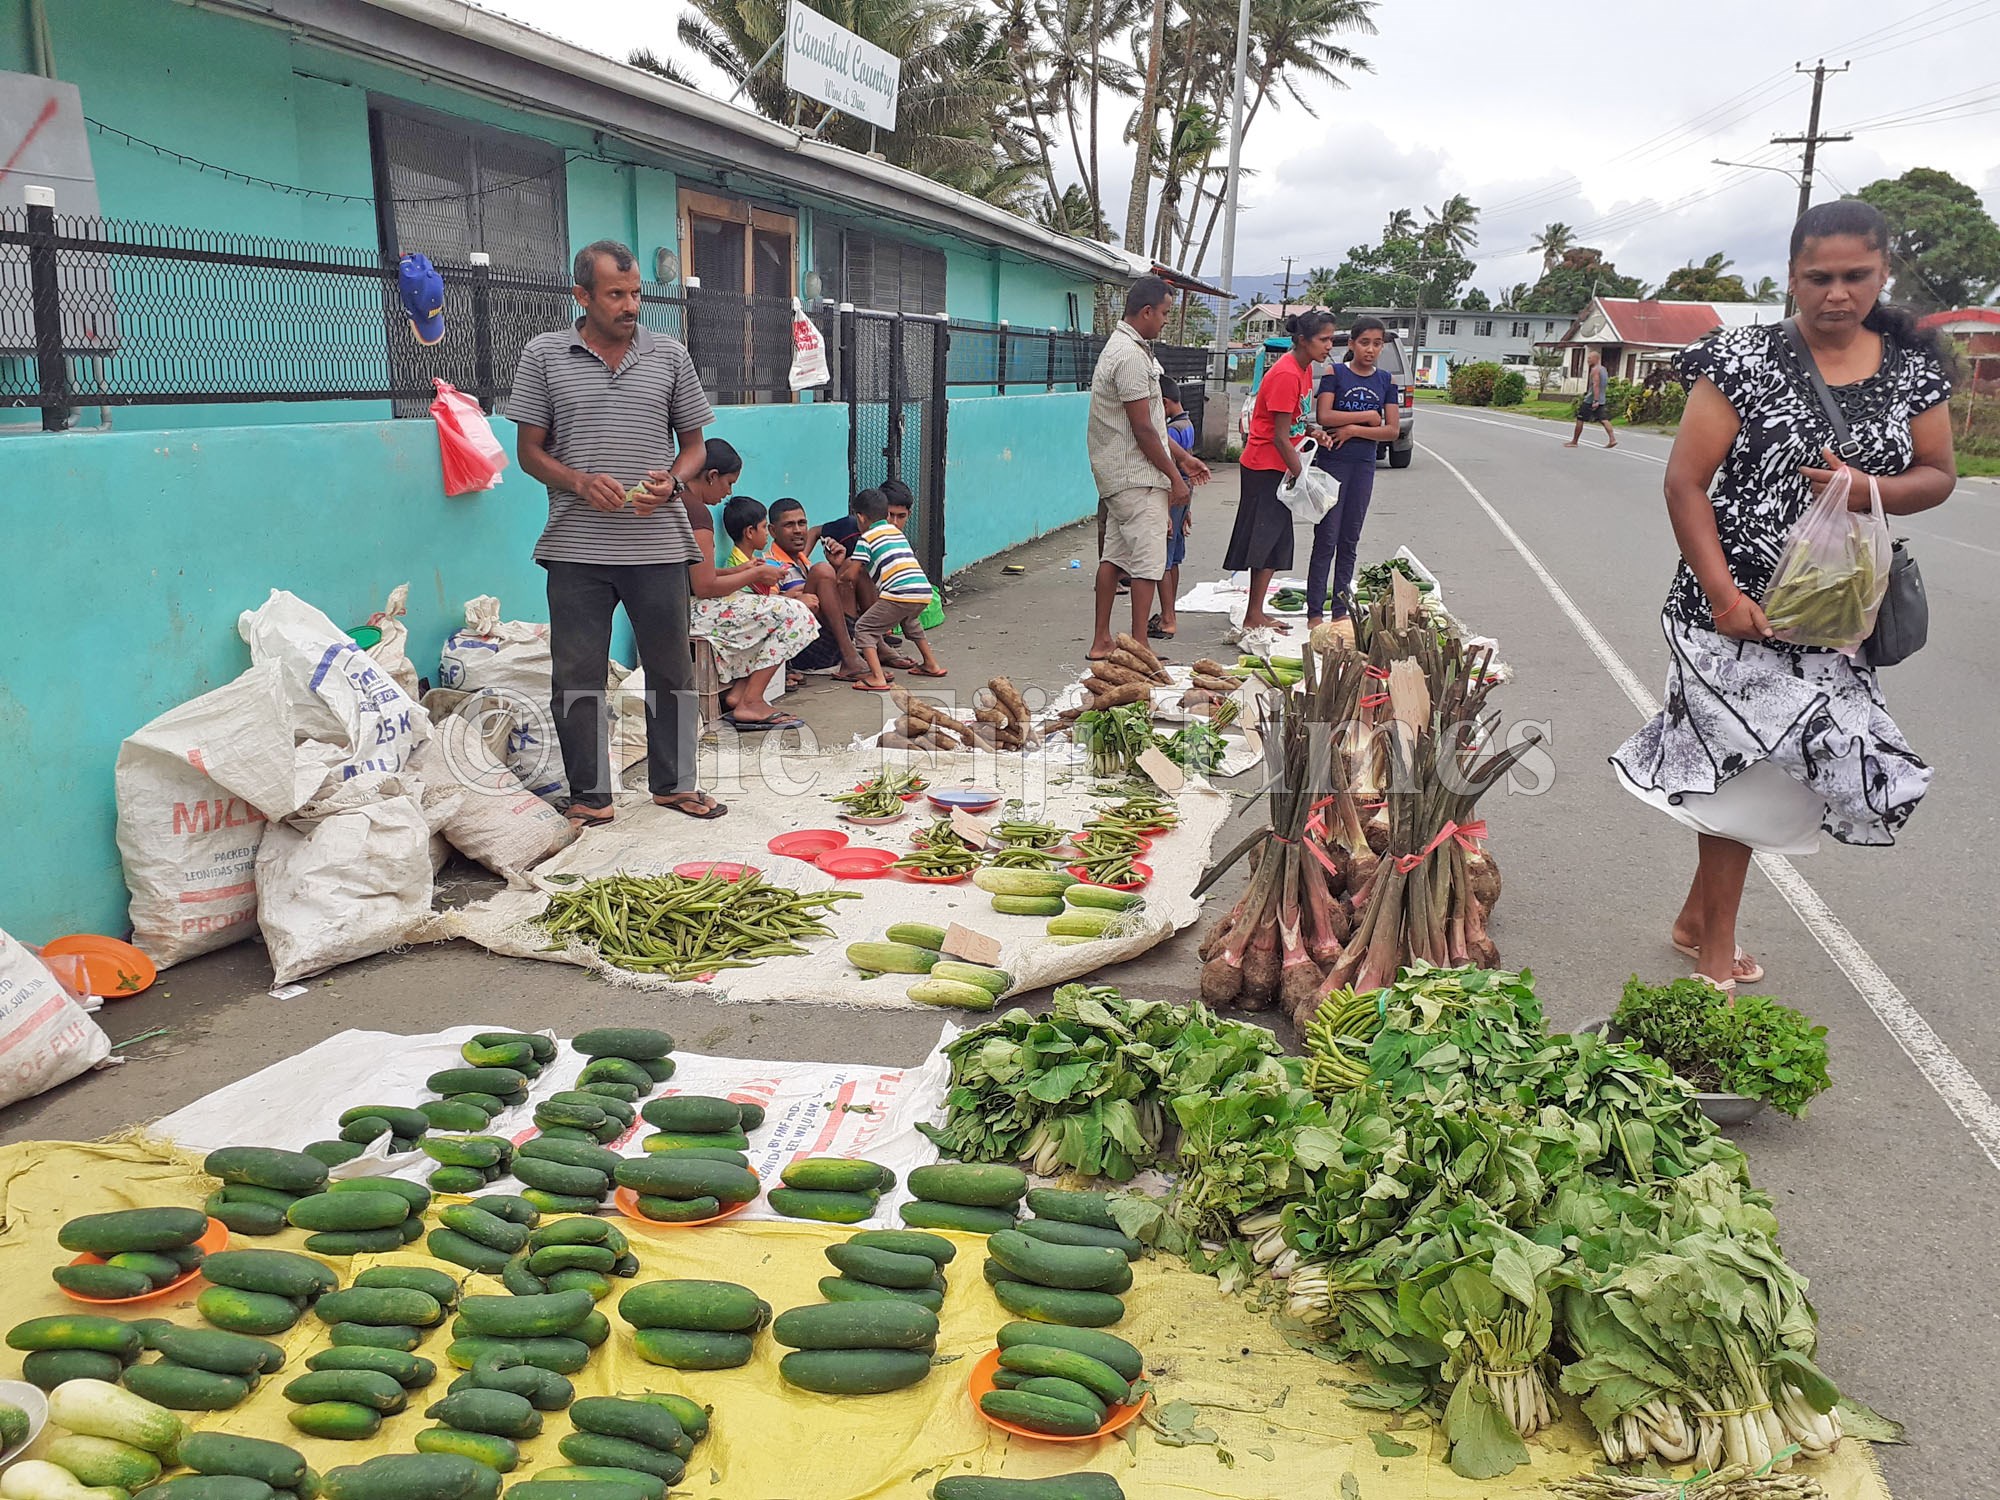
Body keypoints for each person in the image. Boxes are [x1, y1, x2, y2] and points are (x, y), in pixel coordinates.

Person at [1610, 199, 1955, 991]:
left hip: (1837, 616)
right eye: (1818, 277)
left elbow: (1937, 476)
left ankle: (1699, 919)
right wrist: (1724, 594)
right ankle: (1713, 956)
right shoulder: (1742, 359)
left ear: (1883, 274)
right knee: (1743, 771)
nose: (1837, 293)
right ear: (1791, 277)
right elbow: (1685, 483)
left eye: (1856, 277)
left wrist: (1867, 487)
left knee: (1782, 767)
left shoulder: (1912, 370)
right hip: (1731, 610)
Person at [508, 238, 724, 826]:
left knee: (671, 668)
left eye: (635, 295)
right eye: (616, 295)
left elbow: (695, 447)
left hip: (657, 545)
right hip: (576, 547)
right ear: (582, 295)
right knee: (577, 673)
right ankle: (590, 798)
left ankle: (675, 786)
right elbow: (529, 453)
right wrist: (578, 482)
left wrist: (674, 485)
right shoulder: (544, 356)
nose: (631, 306)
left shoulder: (670, 355)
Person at [1085, 275, 1210, 660]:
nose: (1166, 320)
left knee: (1115, 556)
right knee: (1148, 562)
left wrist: (1183, 457)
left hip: (1120, 474)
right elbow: (1142, 428)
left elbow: (1150, 423)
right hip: (1136, 476)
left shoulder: (1129, 348)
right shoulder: (1130, 357)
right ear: (1146, 311)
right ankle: (1141, 644)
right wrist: (1176, 479)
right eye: (1165, 313)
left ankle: (1102, 640)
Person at [684, 449, 819, 732]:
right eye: (729, 482)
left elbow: (694, 572)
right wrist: (756, 572)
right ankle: (752, 701)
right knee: (796, 614)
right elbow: (704, 586)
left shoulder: (682, 503)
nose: (728, 491)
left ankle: (739, 694)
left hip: (684, 603)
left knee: (766, 609)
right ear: (712, 477)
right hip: (689, 610)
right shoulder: (697, 513)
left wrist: (738, 571)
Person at [1226, 310, 1335, 632]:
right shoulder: (1287, 374)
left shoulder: (1303, 370)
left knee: (1275, 543)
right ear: (1302, 340)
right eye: (1324, 339)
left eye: (1331, 339)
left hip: (1281, 465)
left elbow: (1293, 423)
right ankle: (1252, 615)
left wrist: (1312, 430)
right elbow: (1277, 435)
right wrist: (1302, 479)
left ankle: (1255, 611)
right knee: (1263, 539)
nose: (1329, 346)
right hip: (1265, 467)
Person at [1307, 316, 1400, 626]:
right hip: (1332, 463)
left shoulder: (1386, 380)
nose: (1370, 350)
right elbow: (1324, 415)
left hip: (1363, 465)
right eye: (1364, 343)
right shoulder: (1335, 373)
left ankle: (1340, 610)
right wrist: (1366, 417)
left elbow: (1391, 431)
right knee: (1326, 537)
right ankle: (1315, 612)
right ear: (1351, 344)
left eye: (1376, 344)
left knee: (1350, 538)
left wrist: (1352, 431)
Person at [841, 487, 947, 690]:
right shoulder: (896, 534)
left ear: (860, 517)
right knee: (910, 621)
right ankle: (931, 664)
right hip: (923, 591)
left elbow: (852, 575)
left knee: (864, 629)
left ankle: (876, 678)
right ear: (886, 514)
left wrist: (841, 574)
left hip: (898, 593)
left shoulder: (866, 539)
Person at [766, 497, 865, 679]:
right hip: (804, 649)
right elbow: (767, 608)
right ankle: (851, 657)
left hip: (832, 642)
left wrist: (837, 567)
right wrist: (793, 599)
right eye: (789, 525)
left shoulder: (805, 563)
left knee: (852, 564)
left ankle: (875, 645)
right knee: (822, 570)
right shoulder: (770, 565)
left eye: (802, 523)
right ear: (773, 531)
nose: (798, 530)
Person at [1152, 373, 1197, 641]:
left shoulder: (1170, 431)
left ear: (1165, 402)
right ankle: (1169, 611)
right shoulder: (1188, 425)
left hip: (1171, 494)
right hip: (1184, 492)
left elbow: (1170, 468)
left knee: (1161, 559)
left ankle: (1168, 619)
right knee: (1174, 556)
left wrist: (1168, 509)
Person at [1567, 351, 1617, 449]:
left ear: (1596, 358)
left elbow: (1596, 385)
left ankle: (1574, 441)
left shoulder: (1595, 370)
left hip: (1591, 399)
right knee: (1604, 419)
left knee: (1580, 418)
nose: (1588, 360)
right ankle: (1612, 439)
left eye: (1589, 358)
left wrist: (1595, 400)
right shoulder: (1604, 369)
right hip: (1602, 399)